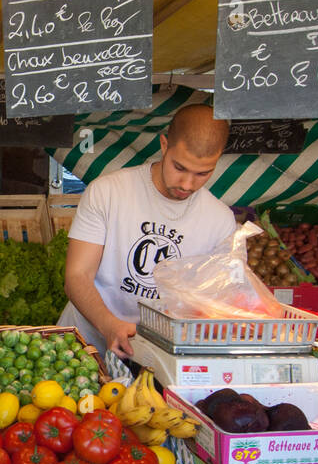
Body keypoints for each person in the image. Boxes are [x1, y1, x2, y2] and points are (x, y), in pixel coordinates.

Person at [59, 103, 236, 358]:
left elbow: (212, 304)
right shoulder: (108, 192)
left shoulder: (220, 221)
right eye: (179, 167)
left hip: (158, 354)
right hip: (83, 342)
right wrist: (109, 324)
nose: (187, 184)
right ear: (164, 145)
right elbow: (78, 275)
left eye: (202, 173)